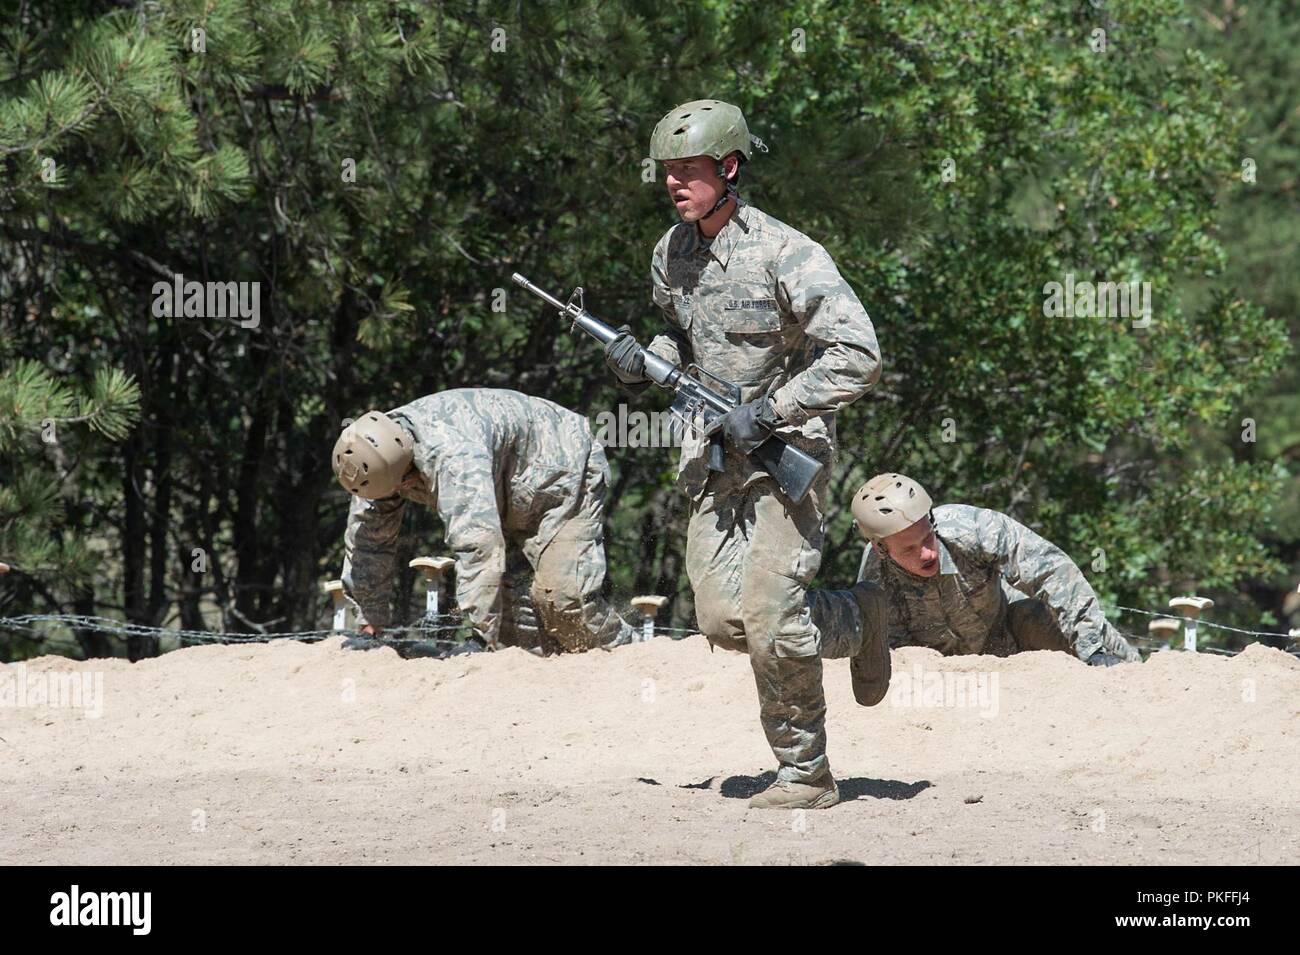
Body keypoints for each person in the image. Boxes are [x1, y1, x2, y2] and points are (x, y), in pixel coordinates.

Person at [604, 99, 883, 809]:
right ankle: (860, 617)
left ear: (729, 169)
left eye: (689, 170)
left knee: (772, 617)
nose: (674, 184)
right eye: (667, 172)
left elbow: (859, 356)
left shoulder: (788, 252)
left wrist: (775, 408)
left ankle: (806, 774)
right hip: (713, 459)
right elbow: (681, 340)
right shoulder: (671, 254)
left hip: (787, 458)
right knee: (724, 622)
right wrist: (644, 359)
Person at [332, 388, 632, 653]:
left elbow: (477, 543)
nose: (402, 493)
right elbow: (368, 540)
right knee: (516, 622)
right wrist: (369, 622)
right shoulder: (368, 458)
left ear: (408, 469)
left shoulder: (454, 457)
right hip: (503, 484)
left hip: (563, 471)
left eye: (404, 485)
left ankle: (630, 655)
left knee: (563, 601)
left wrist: (479, 636)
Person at [851, 473, 1140, 664]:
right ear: (881, 549)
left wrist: (1094, 649)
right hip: (952, 677)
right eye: (909, 549)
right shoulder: (875, 580)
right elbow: (893, 653)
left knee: (1057, 624)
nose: (927, 552)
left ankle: (1134, 670)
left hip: (1008, 628)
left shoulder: (971, 528)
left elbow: (1052, 571)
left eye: (928, 537)